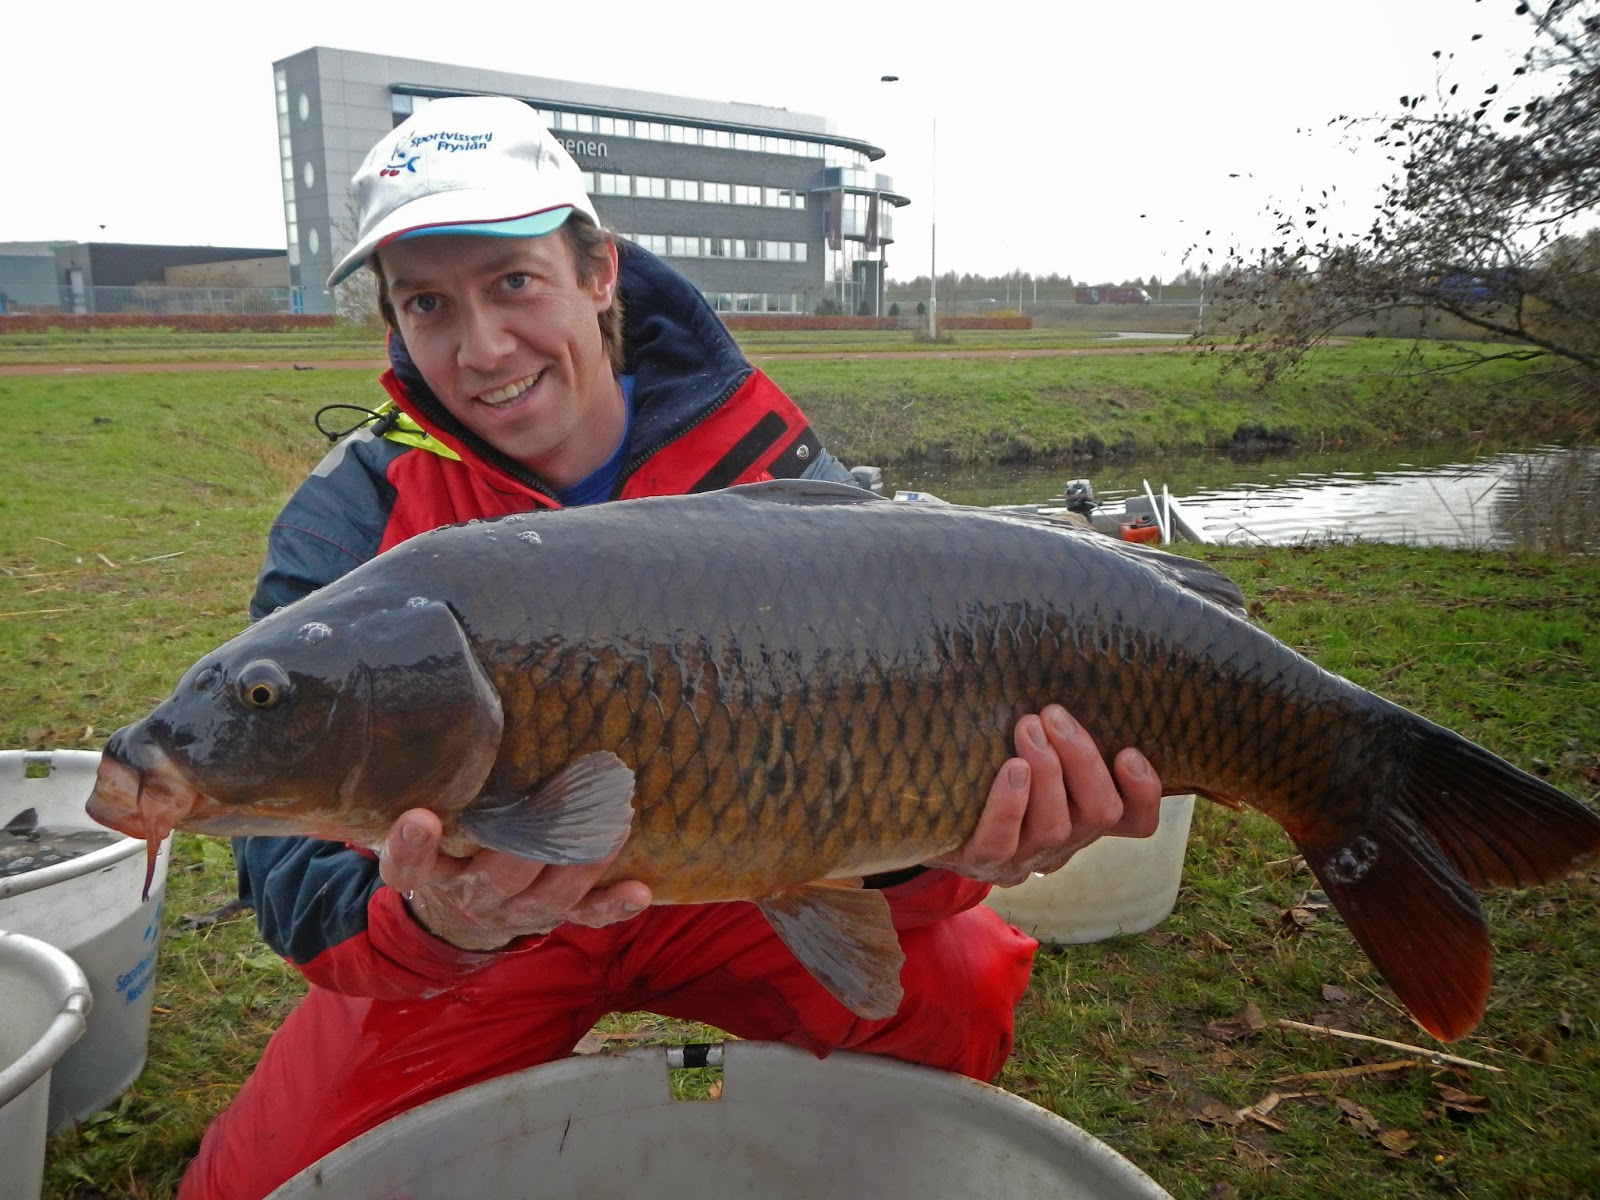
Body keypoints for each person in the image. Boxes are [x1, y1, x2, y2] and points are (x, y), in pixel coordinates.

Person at [177, 96, 1163, 1200]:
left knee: (951, 978)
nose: (483, 346)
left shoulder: (763, 456)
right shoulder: (352, 516)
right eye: (427, 305)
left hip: (742, 901)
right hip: (487, 929)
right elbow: (289, 876)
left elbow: (903, 801)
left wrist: (955, 843)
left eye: (513, 282)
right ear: (394, 325)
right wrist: (442, 921)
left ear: (598, 271)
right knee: (257, 1181)